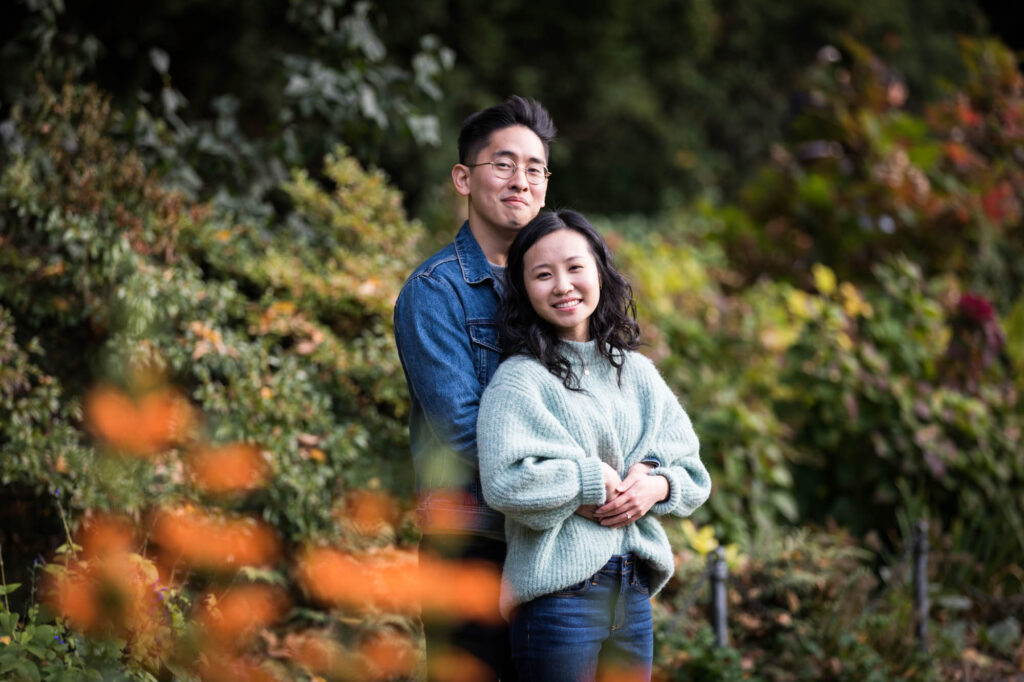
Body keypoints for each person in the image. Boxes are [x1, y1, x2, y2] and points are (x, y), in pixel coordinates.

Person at [477, 209, 712, 681]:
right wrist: (587, 480)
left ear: (600, 272)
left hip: (633, 594)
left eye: (575, 267)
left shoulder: (636, 373)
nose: (562, 285)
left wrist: (657, 485)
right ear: (525, 290)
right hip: (558, 601)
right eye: (543, 274)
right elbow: (505, 483)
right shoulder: (520, 381)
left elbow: (691, 469)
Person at [393, 95, 556, 681]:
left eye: (535, 168)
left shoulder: (557, 285)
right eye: (504, 164)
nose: (522, 180)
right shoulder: (435, 292)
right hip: (472, 540)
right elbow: (463, 428)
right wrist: (577, 482)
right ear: (464, 178)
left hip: (553, 542)